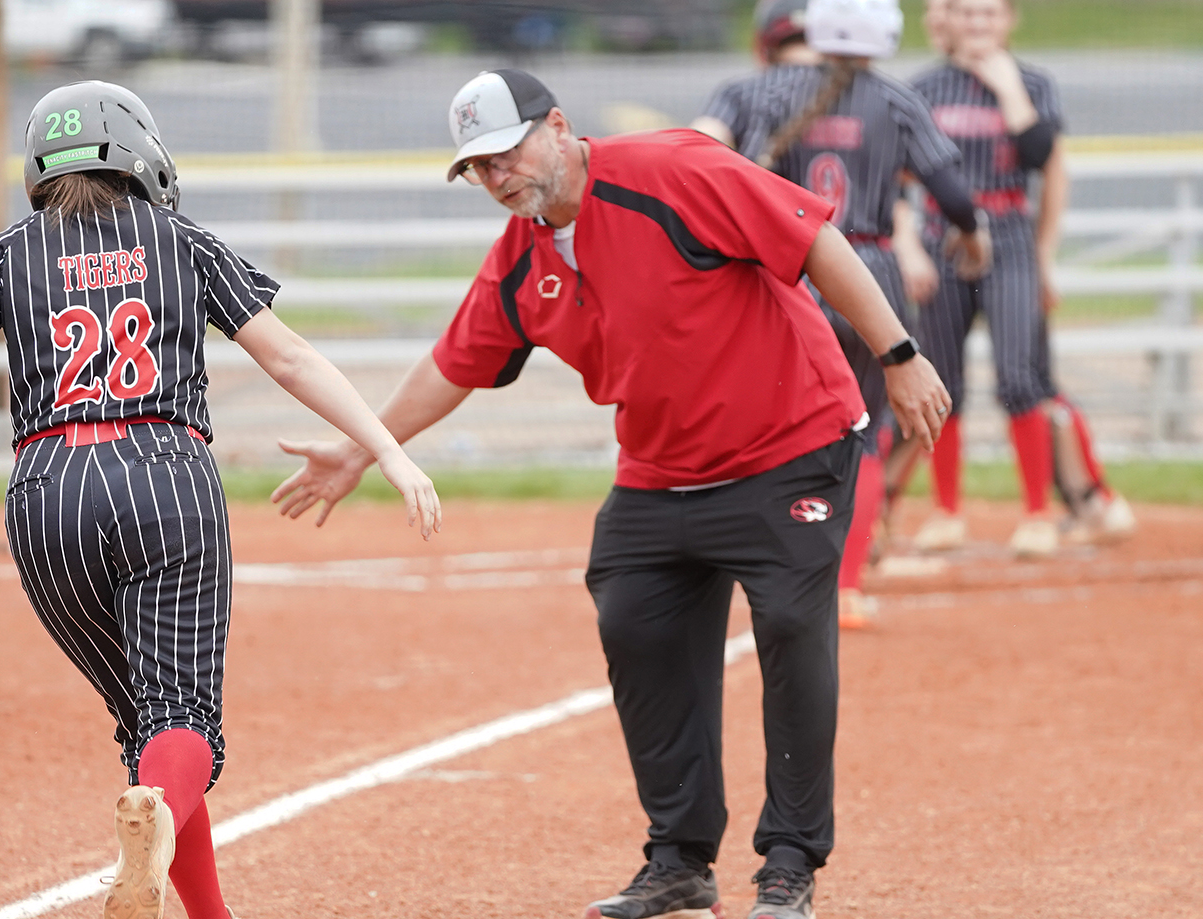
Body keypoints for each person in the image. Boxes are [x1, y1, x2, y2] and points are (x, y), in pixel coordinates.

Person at [271, 68, 951, 919]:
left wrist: (898, 357)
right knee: (633, 618)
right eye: (478, 167)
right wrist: (360, 448)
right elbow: (455, 363)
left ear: (557, 127)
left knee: (788, 626)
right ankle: (679, 860)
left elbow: (814, 238)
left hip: (791, 443)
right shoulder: (521, 257)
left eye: (507, 152)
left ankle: (789, 864)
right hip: (661, 468)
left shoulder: (673, 172)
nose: (497, 176)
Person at [0, 81, 441, 919]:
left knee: (147, 729)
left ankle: (202, 901)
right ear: (139, 152)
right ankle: (158, 815)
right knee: (182, 719)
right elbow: (291, 358)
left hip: (46, 494)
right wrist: (387, 449)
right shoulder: (180, 239)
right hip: (165, 476)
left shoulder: (9, 252)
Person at [693, 0, 990, 629]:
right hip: (868, 278)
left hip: (780, 279)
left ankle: (764, 574)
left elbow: (699, 154)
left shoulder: (751, 92)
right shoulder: (897, 99)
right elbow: (955, 196)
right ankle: (846, 588)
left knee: (768, 429)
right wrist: (972, 236)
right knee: (865, 432)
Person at [907, 0, 1133, 558]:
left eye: (990, 14)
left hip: (1009, 238)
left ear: (1009, 20)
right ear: (948, 20)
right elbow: (898, 174)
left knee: (1020, 377)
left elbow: (1040, 158)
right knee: (942, 380)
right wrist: (909, 246)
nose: (978, 24)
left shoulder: (1033, 83)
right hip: (941, 239)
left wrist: (1008, 86)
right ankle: (946, 512)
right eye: (967, 13)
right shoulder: (924, 88)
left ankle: (1037, 513)